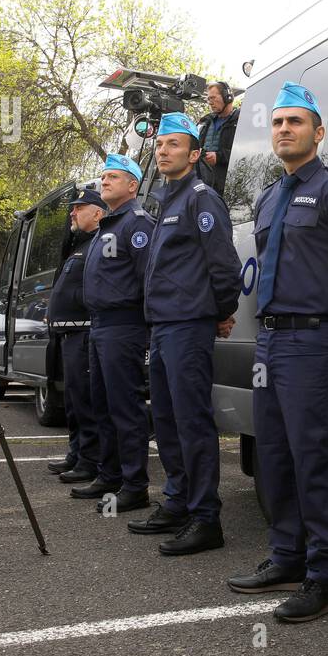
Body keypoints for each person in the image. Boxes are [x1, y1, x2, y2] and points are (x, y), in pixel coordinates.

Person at [225, 82, 328, 623]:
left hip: (315, 338)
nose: (284, 129)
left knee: (315, 457)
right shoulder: (268, 196)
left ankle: (324, 575)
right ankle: (286, 557)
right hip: (270, 339)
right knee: (277, 455)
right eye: (279, 122)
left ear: (318, 132)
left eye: (296, 122)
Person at [126, 112, 242, 555]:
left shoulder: (200, 198)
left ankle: (205, 518)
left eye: (173, 145)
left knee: (193, 421)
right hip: (162, 327)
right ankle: (176, 502)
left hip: (187, 326)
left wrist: (220, 311)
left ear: (194, 154)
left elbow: (224, 264)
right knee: (168, 419)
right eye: (159, 145)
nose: (162, 150)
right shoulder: (165, 202)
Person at [70, 154, 156, 514]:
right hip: (101, 325)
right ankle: (110, 474)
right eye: (103, 177)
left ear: (132, 186)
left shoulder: (137, 223)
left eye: (113, 178)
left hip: (125, 325)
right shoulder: (109, 224)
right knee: (102, 405)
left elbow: (146, 277)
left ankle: (135, 485)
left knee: (126, 408)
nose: (104, 182)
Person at [47, 187, 108, 484]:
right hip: (67, 334)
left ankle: (90, 460)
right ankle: (76, 452)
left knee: (85, 400)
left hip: (84, 332)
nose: (72, 212)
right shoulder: (79, 244)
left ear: (97, 213)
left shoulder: (99, 243)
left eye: (79, 208)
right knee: (72, 400)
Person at [196, 81, 238, 194]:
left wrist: (218, 157)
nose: (210, 102)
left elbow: (245, 154)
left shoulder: (240, 122)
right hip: (203, 185)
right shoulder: (205, 122)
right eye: (208, 99)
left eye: (213, 98)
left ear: (227, 97)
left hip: (227, 188)